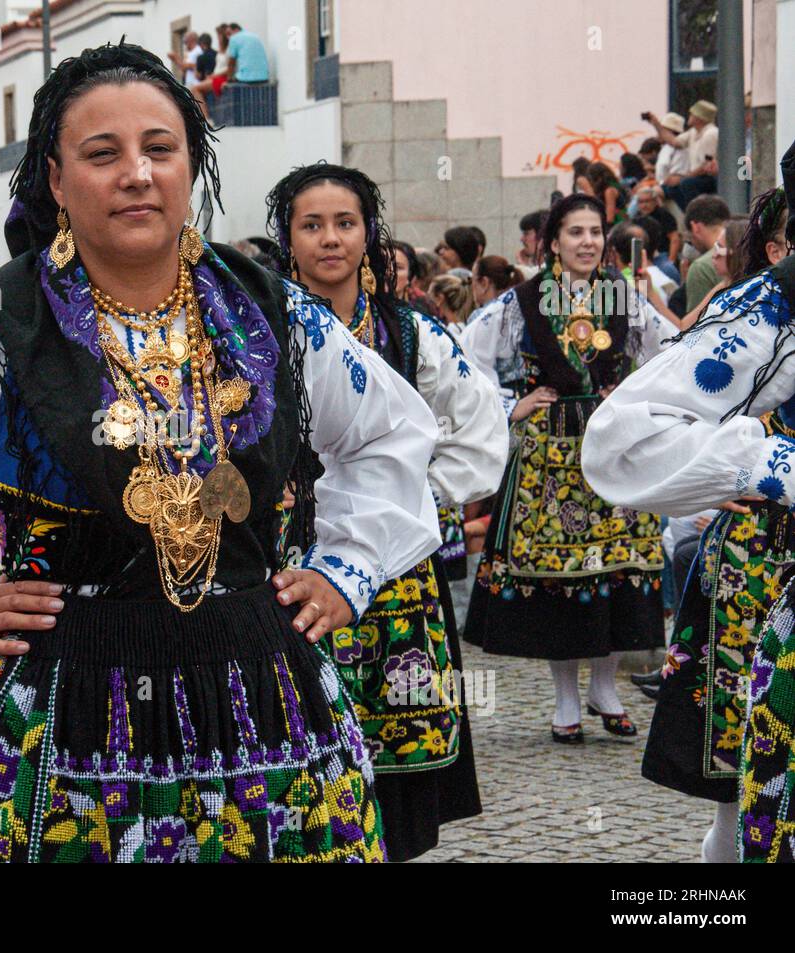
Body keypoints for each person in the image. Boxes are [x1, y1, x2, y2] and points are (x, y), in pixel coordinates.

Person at [0, 42, 442, 863]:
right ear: (55, 180)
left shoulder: (269, 309)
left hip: (265, 688)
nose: (137, 173)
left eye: (160, 149)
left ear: (191, 165)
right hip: (69, 693)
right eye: (103, 153)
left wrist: (349, 566)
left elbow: (394, 429)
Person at [266, 162, 506, 861]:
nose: (330, 239)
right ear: (289, 236)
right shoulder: (257, 329)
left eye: (345, 222)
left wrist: (418, 496)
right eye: (311, 224)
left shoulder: (410, 333)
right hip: (290, 561)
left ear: (368, 232)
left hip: (394, 571)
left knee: (395, 748)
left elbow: (481, 424)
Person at [582, 140, 795, 863]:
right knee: (747, 775)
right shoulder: (768, 309)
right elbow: (625, 438)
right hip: (770, 563)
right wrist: (764, 466)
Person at [459, 193, 678, 743]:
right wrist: (513, 405)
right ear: (552, 241)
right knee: (561, 579)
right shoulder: (520, 303)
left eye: (595, 231)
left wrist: (640, 402)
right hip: (550, 460)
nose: (587, 241)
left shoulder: (626, 299)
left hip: (613, 453)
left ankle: (605, 689)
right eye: (575, 232)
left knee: (613, 572)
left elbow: (672, 351)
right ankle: (564, 699)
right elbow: (466, 357)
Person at [646, 100, 719, 208]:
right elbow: (674, 142)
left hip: (708, 177)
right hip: (697, 176)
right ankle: (690, 214)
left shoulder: (710, 134)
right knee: (671, 189)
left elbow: (706, 165)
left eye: (692, 114)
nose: (689, 116)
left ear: (699, 117)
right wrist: (656, 124)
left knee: (687, 184)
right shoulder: (693, 132)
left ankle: (697, 214)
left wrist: (682, 178)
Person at [681, 195, 732, 312]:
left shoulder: (700, 267)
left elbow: (694, 325)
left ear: (695, 227)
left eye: (690, 239)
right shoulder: (749, 250)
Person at [633, 187, 681, 279]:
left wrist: (671, 261)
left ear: (655, 201)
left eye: (647, 201)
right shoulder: (636, 217)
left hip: (663, 257)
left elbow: (674, 239)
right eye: (641, 202)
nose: (644, 205)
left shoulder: (664, 215)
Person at [577, 161, 625, 228]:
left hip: (617, 226)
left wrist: (588, 190)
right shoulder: (612, 186)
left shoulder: (609, 191)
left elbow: (609, 217)